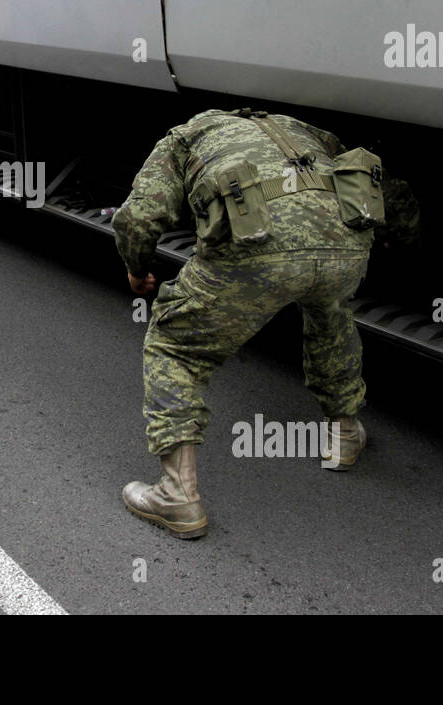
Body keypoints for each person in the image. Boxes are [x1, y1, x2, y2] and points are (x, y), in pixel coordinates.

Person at [113, 108, 381, 539]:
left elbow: (139, 218)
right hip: (344, 248)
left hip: (258, 250)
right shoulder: (301, 128)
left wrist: (137, 266)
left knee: (174, 346)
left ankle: (177, 495)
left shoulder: (182, 137)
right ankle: (345, 433)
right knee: (329, 316)